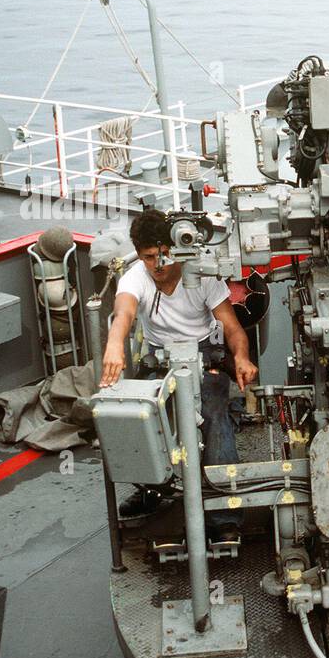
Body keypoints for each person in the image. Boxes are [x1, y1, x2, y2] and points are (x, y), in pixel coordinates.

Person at [100, 209, 259, 542]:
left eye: (164, 254)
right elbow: (123, 314)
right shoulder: (134, 278)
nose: (158, 265)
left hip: (204, 352)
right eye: (148, 257)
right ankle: (153, 490)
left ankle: (225, 516)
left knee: (213, 417)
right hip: (160, 358)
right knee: (147, 419)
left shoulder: (201, 274)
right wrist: (115, 346)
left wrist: (241, 358)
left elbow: (232, 329)